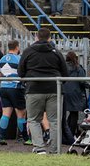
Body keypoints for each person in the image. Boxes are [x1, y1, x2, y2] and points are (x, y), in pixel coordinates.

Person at [18, 27, 68, 155]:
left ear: (36, 37)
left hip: (33, 89)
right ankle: (54, 149)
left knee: (33, 119)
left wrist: (27, 81)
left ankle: (39, 148)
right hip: (54, 89)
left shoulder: (28, 51)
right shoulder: (56, 52)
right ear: (49, 38)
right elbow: (65, 72)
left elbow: (20, 71)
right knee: (55, 121)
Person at [0, 41, 27, 144]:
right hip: (16, 88)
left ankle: (1, 137)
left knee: (5, 114)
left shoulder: (2, 60)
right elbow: (23, 73)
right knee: (21, 114)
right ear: (17, 47)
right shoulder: (19, 59)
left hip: (3, 88)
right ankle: (25, 138)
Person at [61, 50, 89, 146]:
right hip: (76, 93)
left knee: (65, 115)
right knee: (74, 114)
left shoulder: (63, 68)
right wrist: (88, 85)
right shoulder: (78, 68)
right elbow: (82, 81)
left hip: (64, 92)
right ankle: (71, 135)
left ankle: (66, 135)